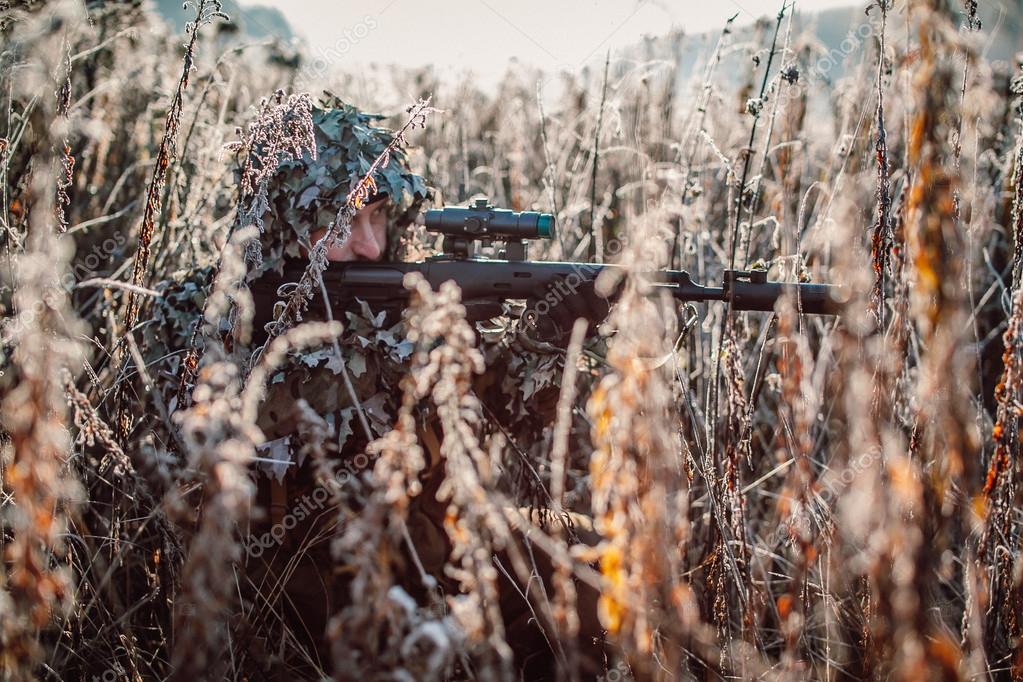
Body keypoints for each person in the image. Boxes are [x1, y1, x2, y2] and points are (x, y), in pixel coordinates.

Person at [145, 95, 607, 680]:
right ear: (281, 220)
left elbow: (497, 415)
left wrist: (547, 334)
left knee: (592, 561)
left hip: (427, 549)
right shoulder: (198, 310)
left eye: (379, 216)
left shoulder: (395, 304)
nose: (368, 244)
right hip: (299, 593)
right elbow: (233, 420)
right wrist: (392, 358)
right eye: (342, 221)